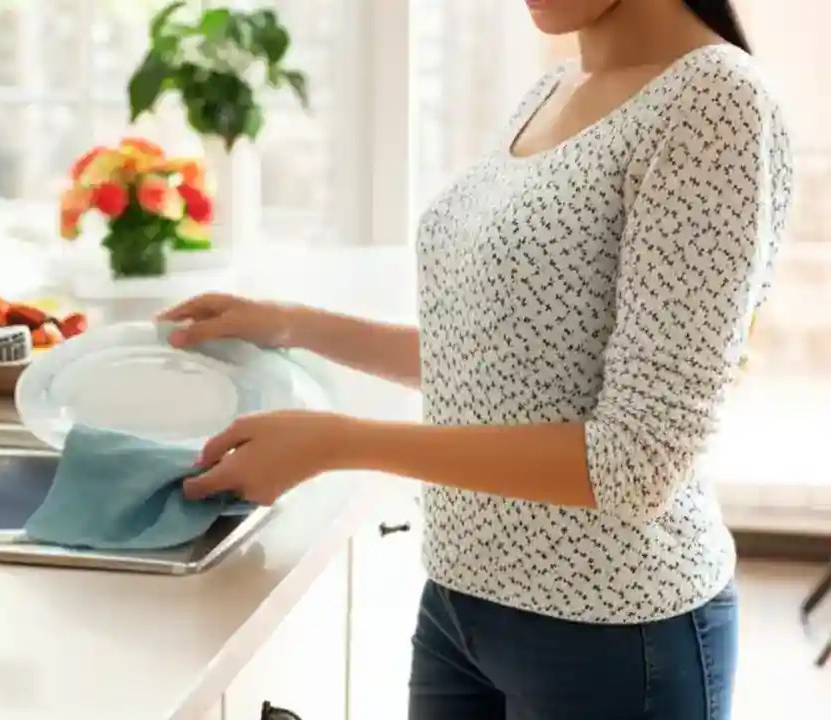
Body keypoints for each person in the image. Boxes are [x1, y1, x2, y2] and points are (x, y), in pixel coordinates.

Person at [162, 0, 792, 717]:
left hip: (617, 635)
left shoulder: (713, 100)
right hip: (462, 609)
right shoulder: (552, 91)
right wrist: (288, 324)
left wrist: (343, 444)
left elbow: (638, 462)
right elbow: (499, 368)